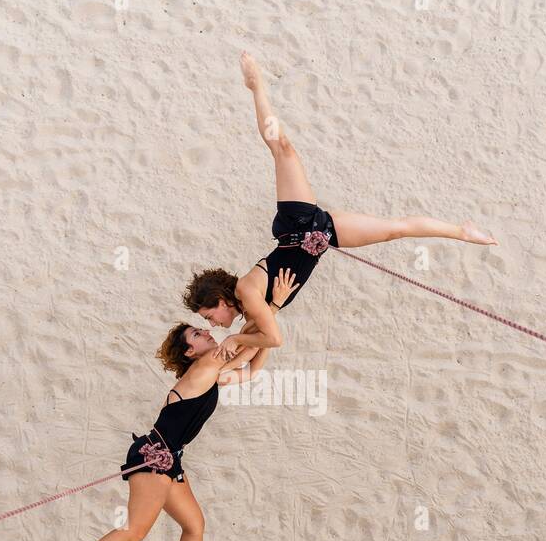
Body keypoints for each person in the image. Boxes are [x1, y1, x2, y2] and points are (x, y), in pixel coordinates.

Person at [183, 51, 497, 361]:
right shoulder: (251, 312)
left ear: (221, 300)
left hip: (298, 224)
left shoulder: (248, 294)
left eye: (209, 316)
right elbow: (259, 345)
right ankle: (462, 231)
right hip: (324, 235)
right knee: (394, 230)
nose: (212, 324)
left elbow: (271, 339)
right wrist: (236, 354)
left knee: (282, 148)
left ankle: (256, 86)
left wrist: (237, 337)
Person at [52, 276, 297, 541]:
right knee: (134, 531)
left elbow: (252, 365)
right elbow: (249, 345)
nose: (208, 332)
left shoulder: (213, 373)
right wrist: (273, 306)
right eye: (199, 334)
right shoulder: (203, 367)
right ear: (190, 351)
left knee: (194, 525)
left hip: (170, 461)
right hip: (153, 458)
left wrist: (268, 315)